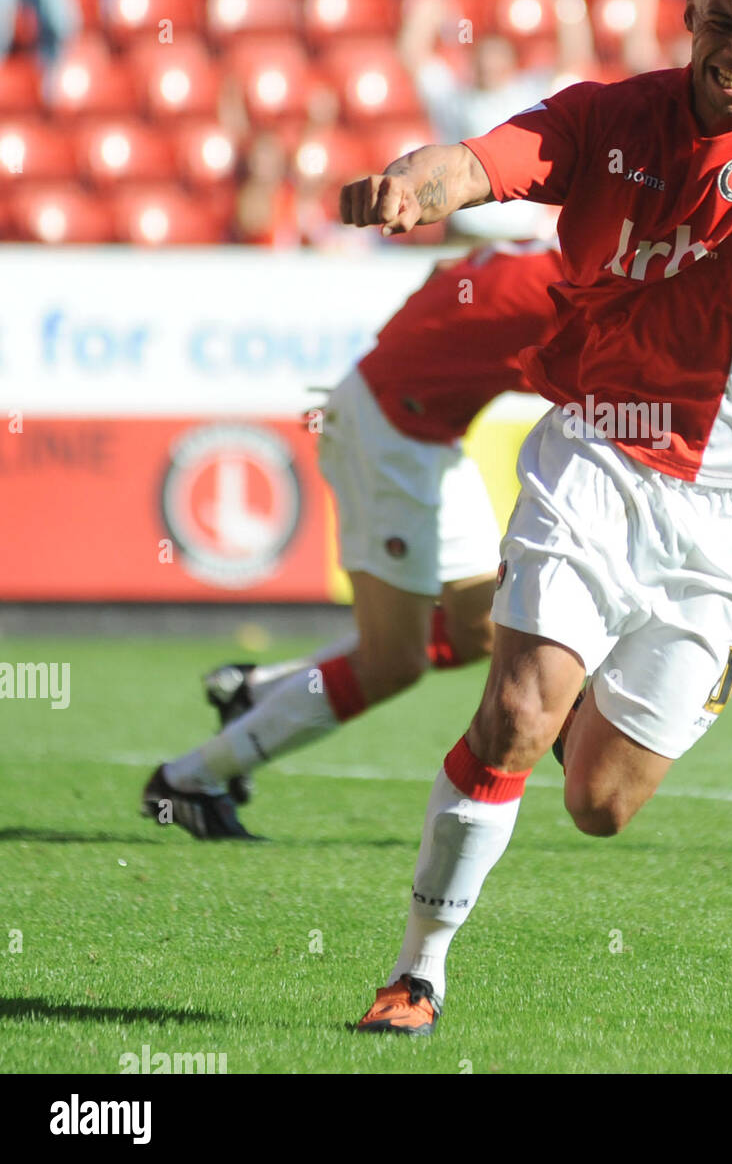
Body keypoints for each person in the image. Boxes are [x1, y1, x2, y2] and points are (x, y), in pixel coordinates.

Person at [337, 0, 732, 1034]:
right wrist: (419, 183)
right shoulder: (609, 118)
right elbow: (486, 160)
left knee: (601, 800)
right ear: (688, 12)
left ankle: (573, 696)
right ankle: (418, 970)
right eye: (721, 18)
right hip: (595, 458)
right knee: (513, 710)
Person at [141, 240, 565, 839]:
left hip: (423, 428)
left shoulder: (546, 256)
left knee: (481, 627)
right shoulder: (584, 290)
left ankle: (254, 691)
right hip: (389, 430)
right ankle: (187, 781)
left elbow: (445, 271)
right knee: (392, 662)